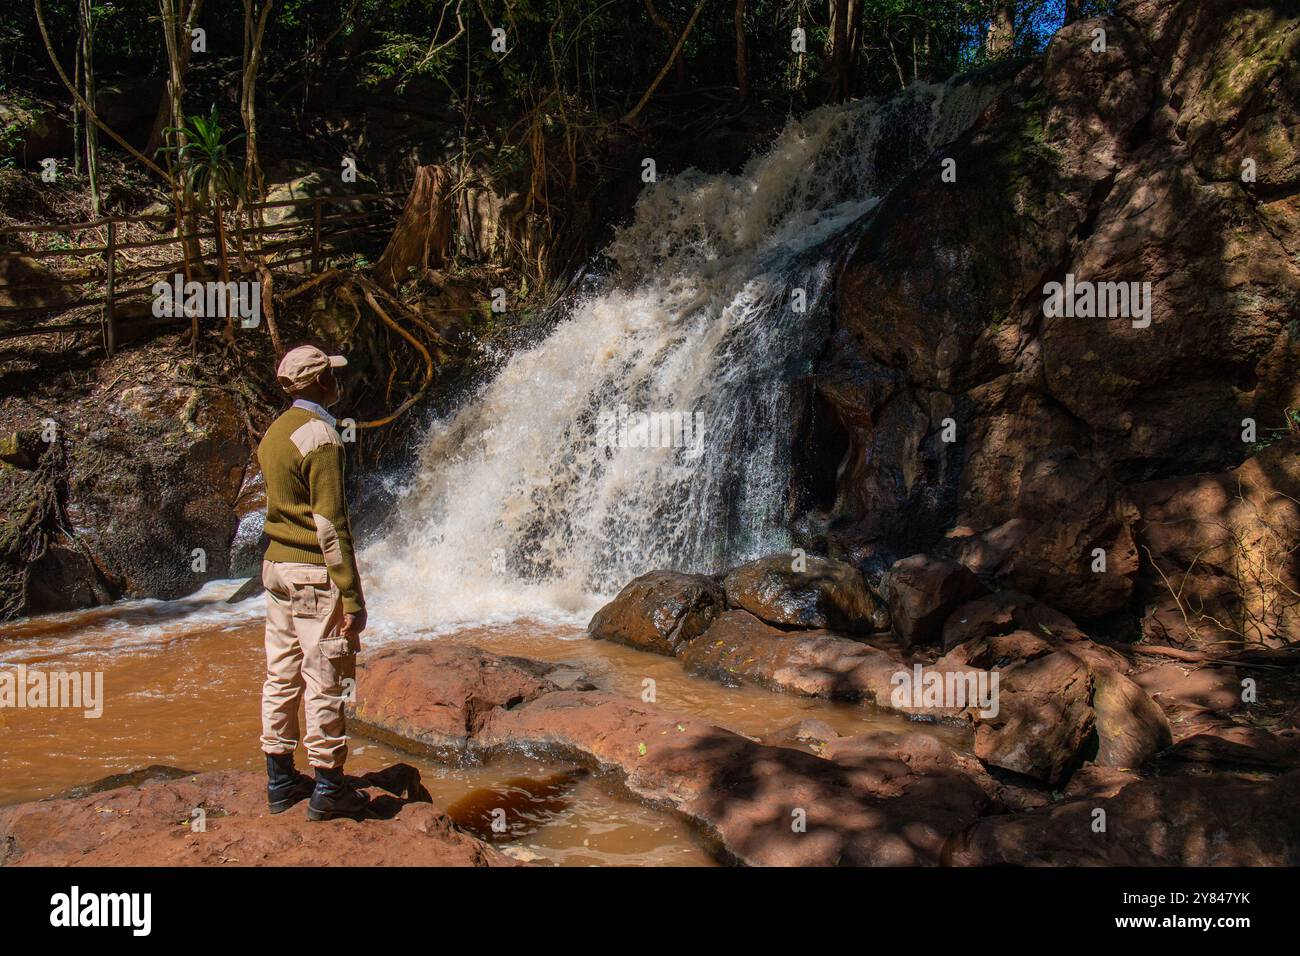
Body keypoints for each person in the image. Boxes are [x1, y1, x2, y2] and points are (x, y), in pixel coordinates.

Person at [256, 344, 369, 821]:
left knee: (280, 672)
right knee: (326, 676)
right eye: (331, 375)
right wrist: (351, 594)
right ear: (320, 383)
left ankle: (280, 780)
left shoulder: (275, 433)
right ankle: (328, 788)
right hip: (311, 574)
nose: (337, 381)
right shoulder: (320, 436)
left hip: (276, 569)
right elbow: (329, 523)